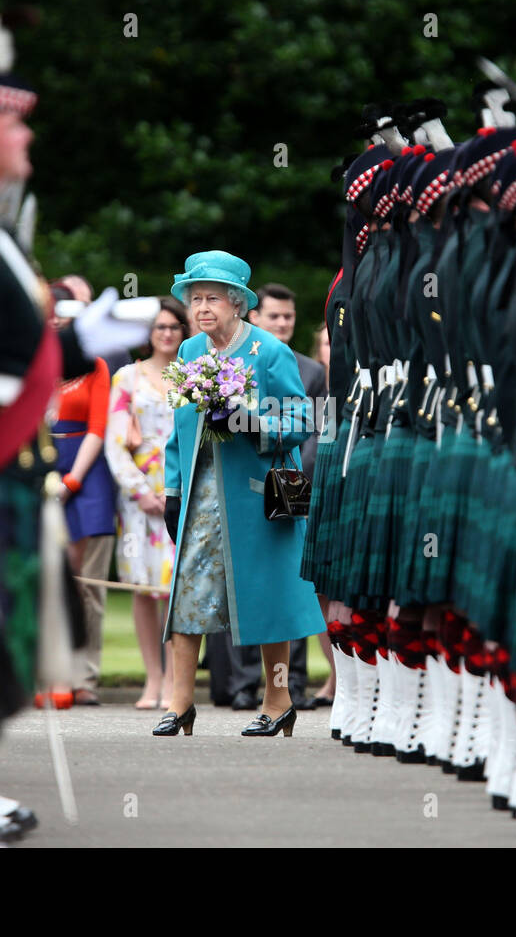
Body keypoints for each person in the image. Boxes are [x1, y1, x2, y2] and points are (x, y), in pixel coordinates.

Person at [155, 251, 325, 737]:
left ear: (236, 303)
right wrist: (172, 490)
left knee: (267, 600)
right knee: (187, 594)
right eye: (195, 298)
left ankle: (278, 701)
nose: (201, 307)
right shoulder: (189, 353)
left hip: (256, 499)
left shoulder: (269, 352)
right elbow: (178, 430)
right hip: (200, 500)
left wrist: (251, 423)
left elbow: (299, 421)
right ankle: (180, 703)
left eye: (211, 298)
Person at [204, 283, 328, 712]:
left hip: (288, 481)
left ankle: (290, 684)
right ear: (254, 317)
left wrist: (298, 473)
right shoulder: (219, 359)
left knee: (284, 584)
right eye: (274, 316)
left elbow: (313, 427)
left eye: (288, 317)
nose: (282, 323)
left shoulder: (312, 369)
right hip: (230, 486)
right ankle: (239, 684)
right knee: (235, 584)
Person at [105, 298, 187, 708]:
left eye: (174, 326)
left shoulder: (195, 374)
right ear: (149, 332)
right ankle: (151, 679)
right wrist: (141, 491)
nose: (167, 333)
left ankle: (176, 679)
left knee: (178, 587)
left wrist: (178, 489)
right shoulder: (127, 378)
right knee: (142, 587)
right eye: (160, 326)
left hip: (184, 491)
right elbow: (115, 445)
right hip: (140, 497)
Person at [50, 334, 117, 708]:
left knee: (87, 584)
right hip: (41, 464)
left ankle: (84, 676)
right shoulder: (30, 358)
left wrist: (73, 479)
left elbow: (98, 426)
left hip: (87, 472)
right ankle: (48, 674)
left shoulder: (96, 364)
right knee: (44, 579)